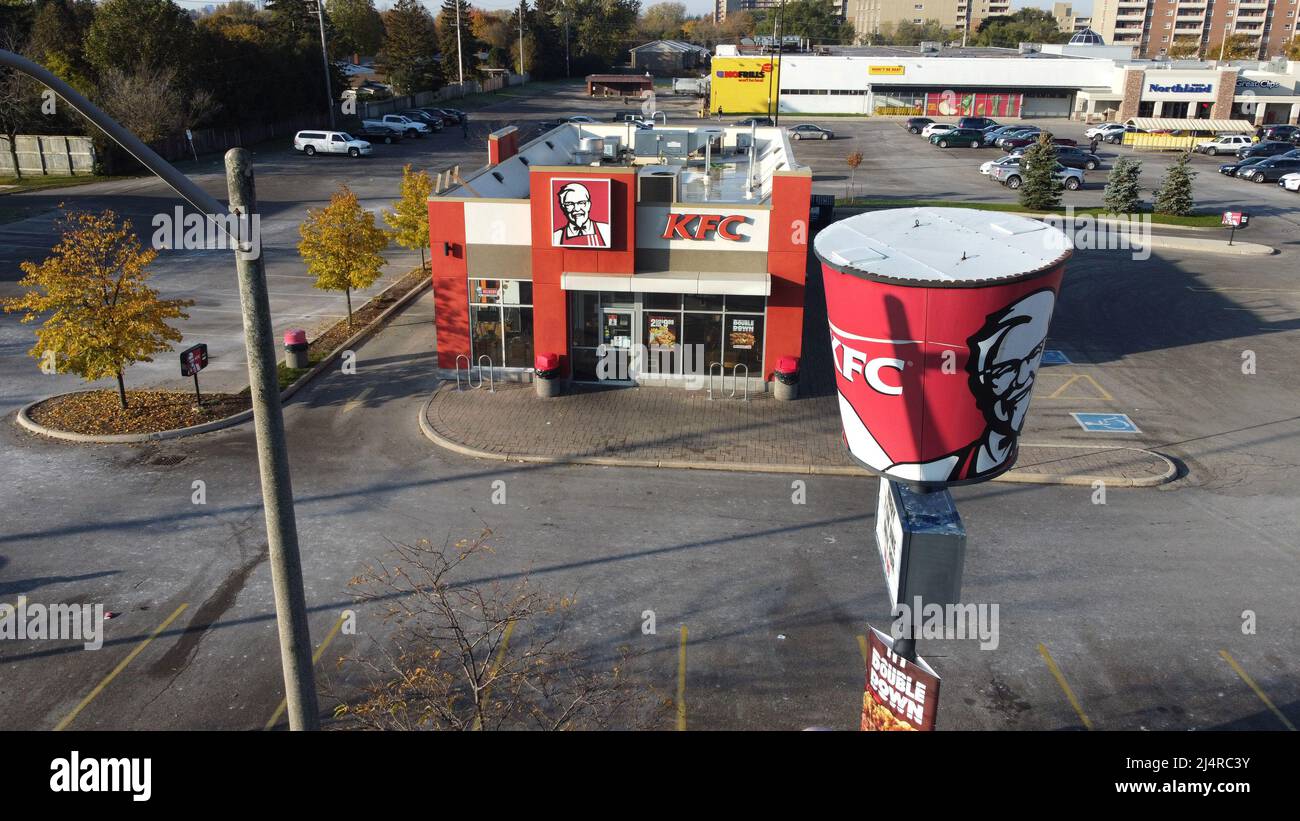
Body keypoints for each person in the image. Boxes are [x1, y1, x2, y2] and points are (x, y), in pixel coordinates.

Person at [552, 182, 610, 247]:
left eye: (581, 203)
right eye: (570, 204)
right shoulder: (556, 237)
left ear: (589, 205)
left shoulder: (606, 230)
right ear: (563, 207)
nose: (576, 209)